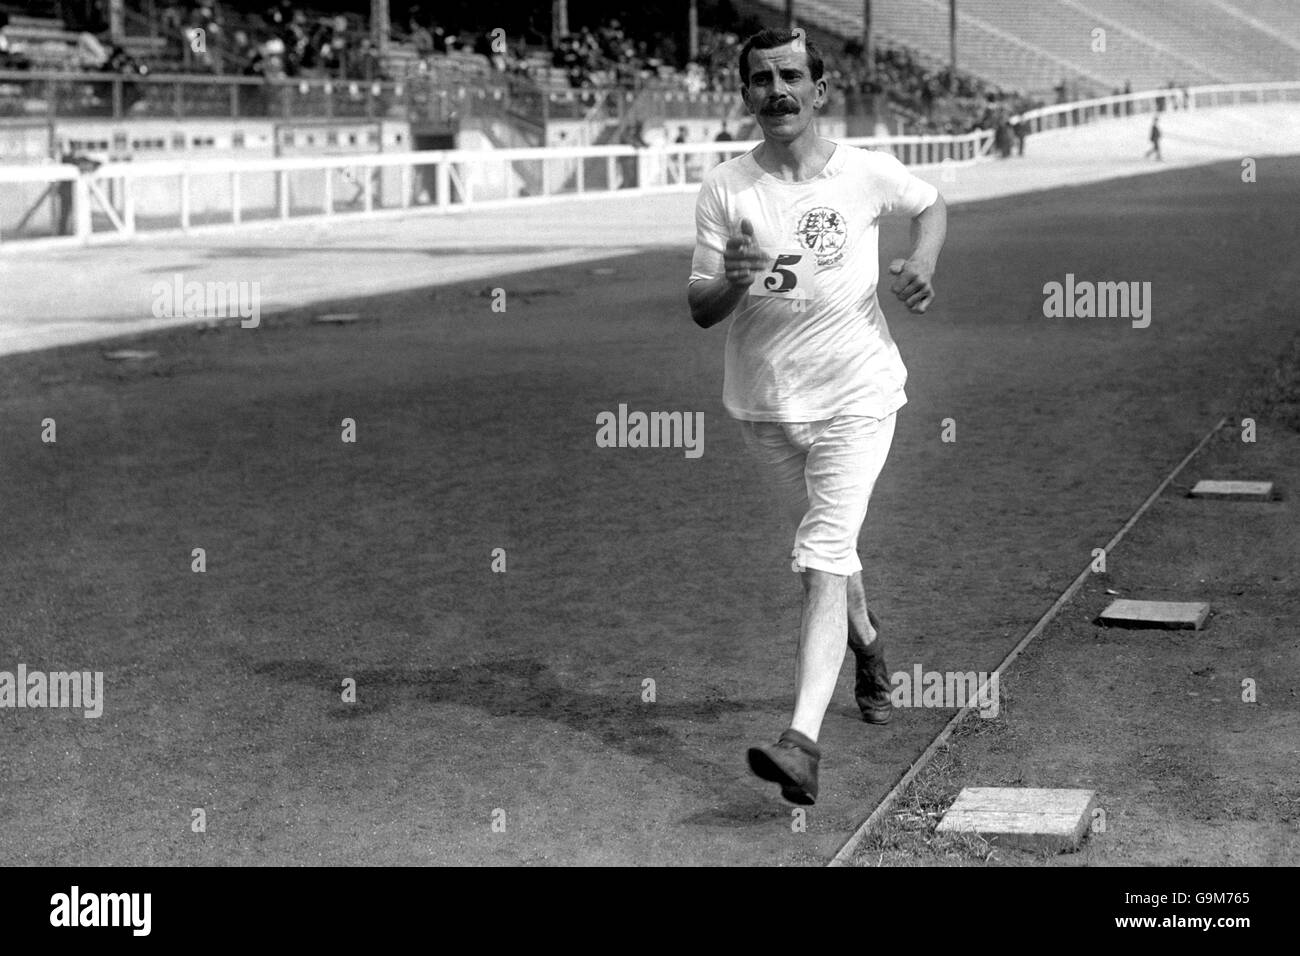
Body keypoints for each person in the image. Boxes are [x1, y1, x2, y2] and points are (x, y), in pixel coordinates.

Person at [687, 28, 947, 805]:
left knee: (822, 555)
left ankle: (802, 741)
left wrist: (923, 263)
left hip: (858, 396)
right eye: (761, 78)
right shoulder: (725, 188)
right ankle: (868, 645)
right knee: (829, 549)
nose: (778, 90)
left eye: (792, 76)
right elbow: (701, 307)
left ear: (821, 90)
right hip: (766, 405)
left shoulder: (865, 173)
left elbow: (931, 207)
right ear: (746, 94)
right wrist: (732, 281)